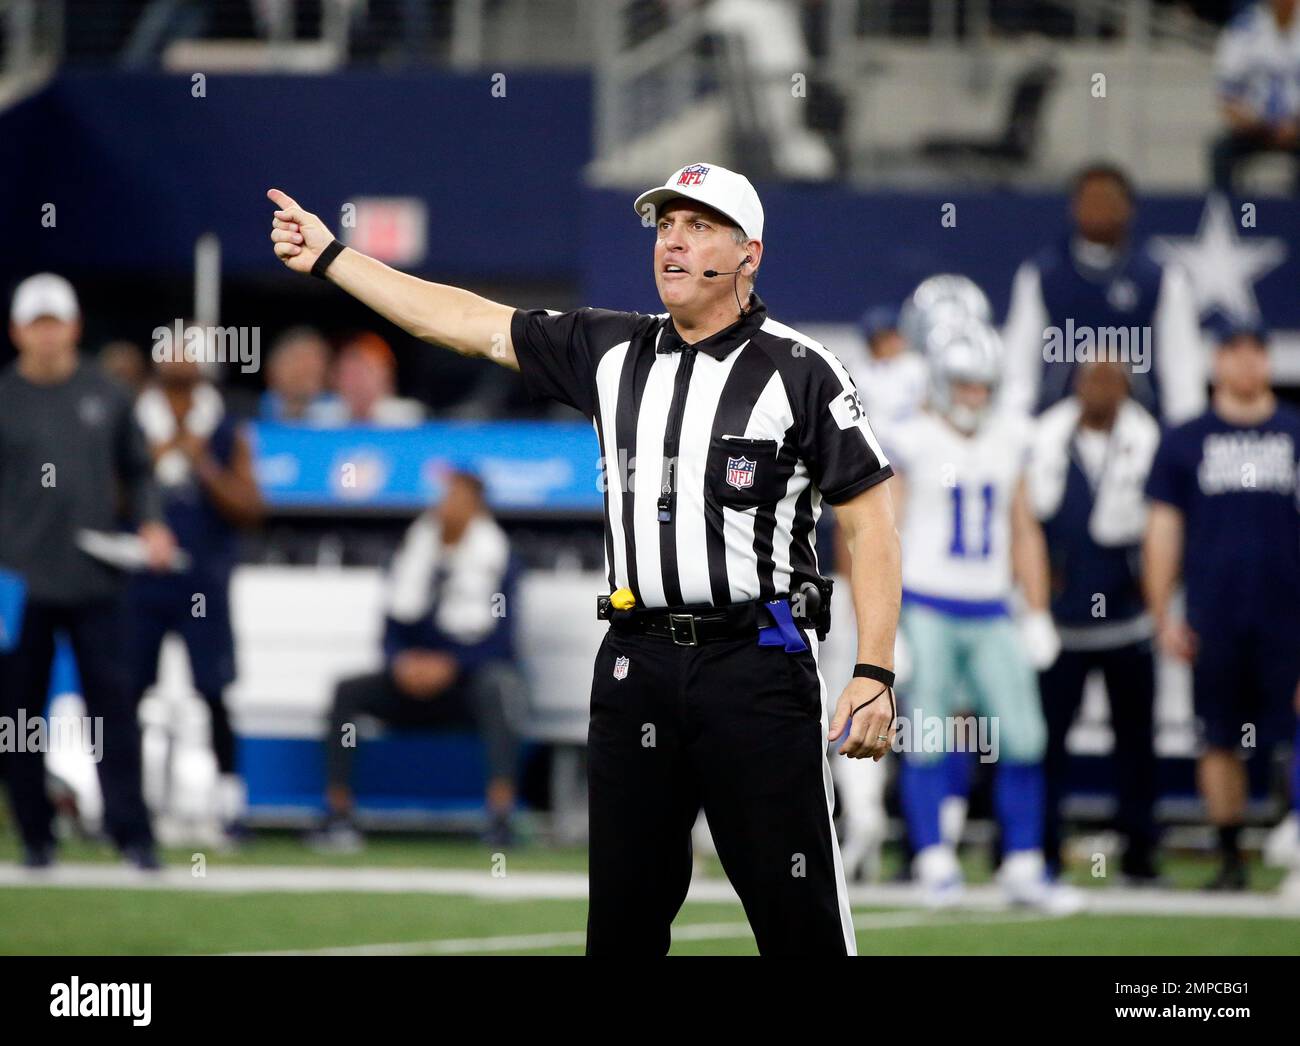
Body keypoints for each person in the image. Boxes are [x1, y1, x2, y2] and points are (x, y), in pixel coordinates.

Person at [265, 160, 901, 957]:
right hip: (636, 666)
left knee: (800, 926)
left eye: (698, 226)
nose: (672, 242)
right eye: (665, 224)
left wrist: (874, 673)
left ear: (750, 254)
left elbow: (871, 524)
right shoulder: (611, 349)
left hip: (757, 666)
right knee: (622, 934)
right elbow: (461, 321)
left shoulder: (800, 370)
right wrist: (334, 257)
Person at [884, 319, 1082, 913]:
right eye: (965, 385)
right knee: (926, 740)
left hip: (992, 606)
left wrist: (1038, 611)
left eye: (983, 386)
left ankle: (1022, 864)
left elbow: (1024, 529)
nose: (975, 397)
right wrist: (884, 625)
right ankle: (933, 861)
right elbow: (884, 536)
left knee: (1023, 737)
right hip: (926, 603)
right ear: (943, 383)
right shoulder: (912, 438)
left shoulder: (1008, 440)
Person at [0, 273, 177, 869]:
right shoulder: (3, 398)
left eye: (56, 324)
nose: (47, 336)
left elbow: (141, 471)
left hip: (96, 577)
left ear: (74, 328)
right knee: (17, 715)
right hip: (16, 583)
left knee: (115, 710)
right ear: (17, 331)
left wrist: (151, 524)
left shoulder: (108, 395)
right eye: (36, 324)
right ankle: (35, 835)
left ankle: (133, 835)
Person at [1143, 316, 1300, 892]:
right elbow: (1163, 529)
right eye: (1233, 351)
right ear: (1216, 362)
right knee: (1217, 737)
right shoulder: (1186, 439)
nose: (1244, 362)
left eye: (1255, 351)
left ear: (1267, 360)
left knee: (1293, 729)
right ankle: (1232, 857)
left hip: (1288, 615)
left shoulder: (1293, 431)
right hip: (1214, 615)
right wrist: (1163, 613)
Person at [314, 470, 523, 851]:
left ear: (477, 504)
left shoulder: (498, 556)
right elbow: (390, 628)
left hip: (464, 686)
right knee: (347, 691)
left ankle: (500, 817)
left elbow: (502, 640)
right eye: (444, 495)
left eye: (457, 496)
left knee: (501, 688)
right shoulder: (414, 548)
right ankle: (338, 815)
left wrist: (452, 665)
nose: (446, 504)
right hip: (409, 683)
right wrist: (402, 663)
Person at [1027, 360, 1162, 883]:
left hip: (1128, 621)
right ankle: (1039, 851)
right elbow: (1030, 526)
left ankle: (1141, 855)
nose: (1099, 389)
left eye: (1111, 380)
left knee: (1136, 744)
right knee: (1044, 743)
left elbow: (1160, 530)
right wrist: (1035, 604)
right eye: (1090, 379)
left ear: (1128, 389)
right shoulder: (1046, 441)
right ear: (1075, 385)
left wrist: (1158, 606)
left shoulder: (1147, 442)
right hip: (1060, 626)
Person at [129, 350, 264, 843]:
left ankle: (228, 806)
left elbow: (251, 507)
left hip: (204, 578)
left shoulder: (225, 429)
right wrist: (163, 454)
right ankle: (124, 806)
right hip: (140, 575)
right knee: (127, 692)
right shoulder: (134, 419)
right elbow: (110, 491)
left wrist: (202, 462)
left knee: (214, 691)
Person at [1001, 163, 1205, 424]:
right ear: (1073, 208)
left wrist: (1184, 432)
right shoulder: (1041, 275)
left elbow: (1181, 365)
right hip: (1057, 428)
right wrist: (1017, 426)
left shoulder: (1162, 278)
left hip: (1141, 427)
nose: (1098, 209)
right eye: (1089, 200)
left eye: (1108, 200)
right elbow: (1019, 364)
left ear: (1128, 209)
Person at [1210, 0, 1300, 195]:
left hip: (1296, 127)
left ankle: (1294, 217)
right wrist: (1255, 123)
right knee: (1220, 151)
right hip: (1254, 126)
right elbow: (1226, 96)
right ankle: (1230, 213)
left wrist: (1294, 124)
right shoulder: (1244, 28)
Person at [311, 332, 425, 427]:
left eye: (366, 371)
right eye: (349, 373)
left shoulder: (409, 418)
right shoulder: (318, 417)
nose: (358, 382)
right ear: (334, 379)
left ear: (387, 377)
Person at [259, 326, 334, 422]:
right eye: (299, 359)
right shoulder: (247, 413)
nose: (312, 368)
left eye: (320, 359)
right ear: (273, 368)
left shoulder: (342, 416)